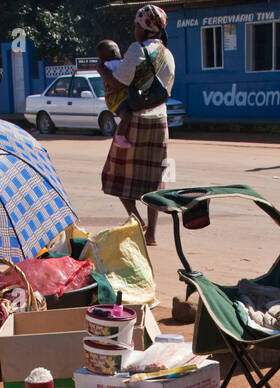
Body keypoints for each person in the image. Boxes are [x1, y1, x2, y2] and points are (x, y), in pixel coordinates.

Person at [97, 4, 175, 246]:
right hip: (160, 122)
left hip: (136, 120)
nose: (134, 30)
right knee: (154, 180)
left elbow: (118, 81)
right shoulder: (168, 54)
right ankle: (151, 233)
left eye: (136, 25)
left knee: (115, 176)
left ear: (144, 28)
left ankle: (136, 220)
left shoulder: (137, 49)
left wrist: (101, 70)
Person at [96, 39, 133, 148]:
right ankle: (120, 136)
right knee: (126, 115)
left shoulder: (107, 65)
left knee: (129, 114)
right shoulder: (112, 65)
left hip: (118, 97)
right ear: (113, 53)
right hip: (116, 99)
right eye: (118, 50)